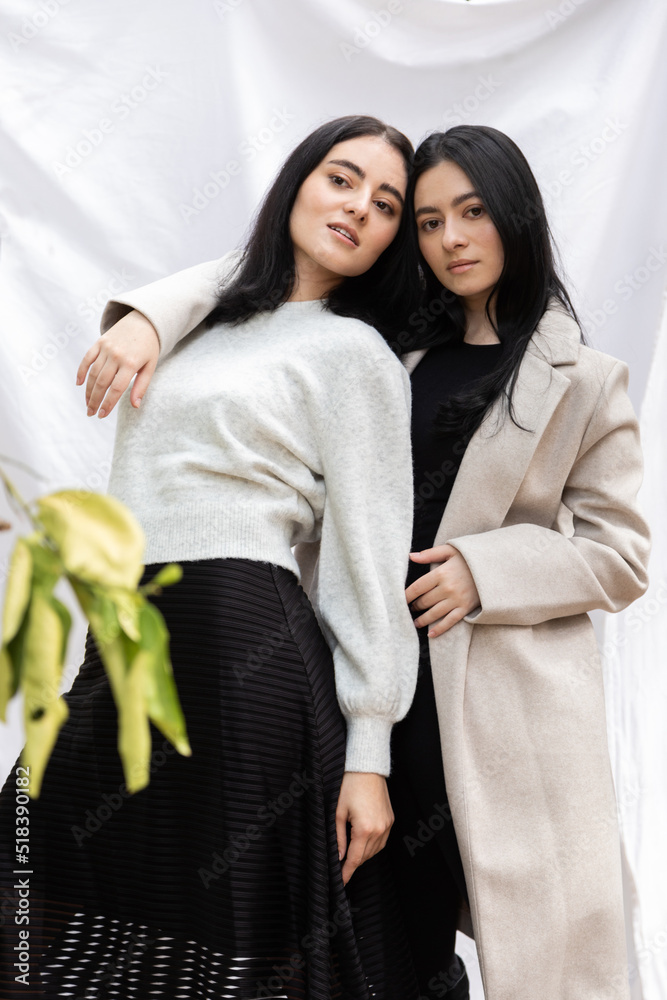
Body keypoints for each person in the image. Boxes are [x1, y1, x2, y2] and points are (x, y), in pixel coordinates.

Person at [73, 125, 650, 1000]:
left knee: (530, 949)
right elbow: (266, 281)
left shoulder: (583, 380)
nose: (449, 238)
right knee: (378, 944)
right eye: (424, 221)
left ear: (518, 220)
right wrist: (151, 315)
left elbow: (621, 554)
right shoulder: (386, 343)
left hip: (490, 704)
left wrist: (485, 570)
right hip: (353, 671)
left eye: (472, 213)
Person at [0, 116, 426, 1000]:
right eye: (341, 179)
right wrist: (152, 317)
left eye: (385, 204)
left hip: (243, 651)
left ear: (392, 238)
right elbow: (235, 277)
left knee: (220, 947)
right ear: (297, 182)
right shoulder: (191, 322)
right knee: (36, 879)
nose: (358, 208)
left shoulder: (357, 357)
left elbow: (367, 564)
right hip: (122, 640)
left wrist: (370, 756)